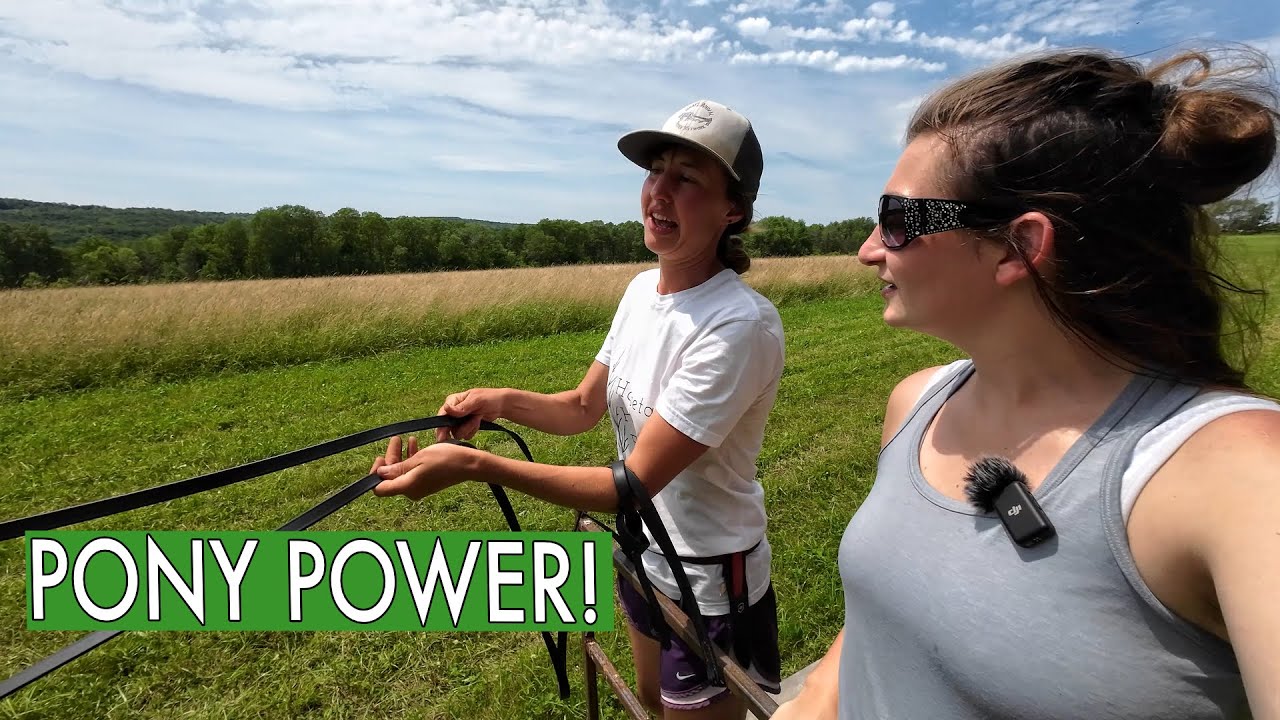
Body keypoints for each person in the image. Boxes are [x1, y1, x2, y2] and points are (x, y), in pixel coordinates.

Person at [775, 46, 1280, 720]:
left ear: (1020, 246)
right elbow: (888, 607)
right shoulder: (919, 404)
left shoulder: (1236, 476)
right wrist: (816, 695)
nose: (869, 248)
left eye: (897, 221)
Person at [370, 99, 786, 719]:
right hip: (643, 552)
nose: (659, 192)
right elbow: (583, 406)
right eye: (656, 171)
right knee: (648, 703)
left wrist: (478, 466)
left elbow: (631, 483)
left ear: (734, 209)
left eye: (687, 178)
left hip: (707, 582)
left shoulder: (740, 326)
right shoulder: (642, 291)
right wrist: (496, 400)